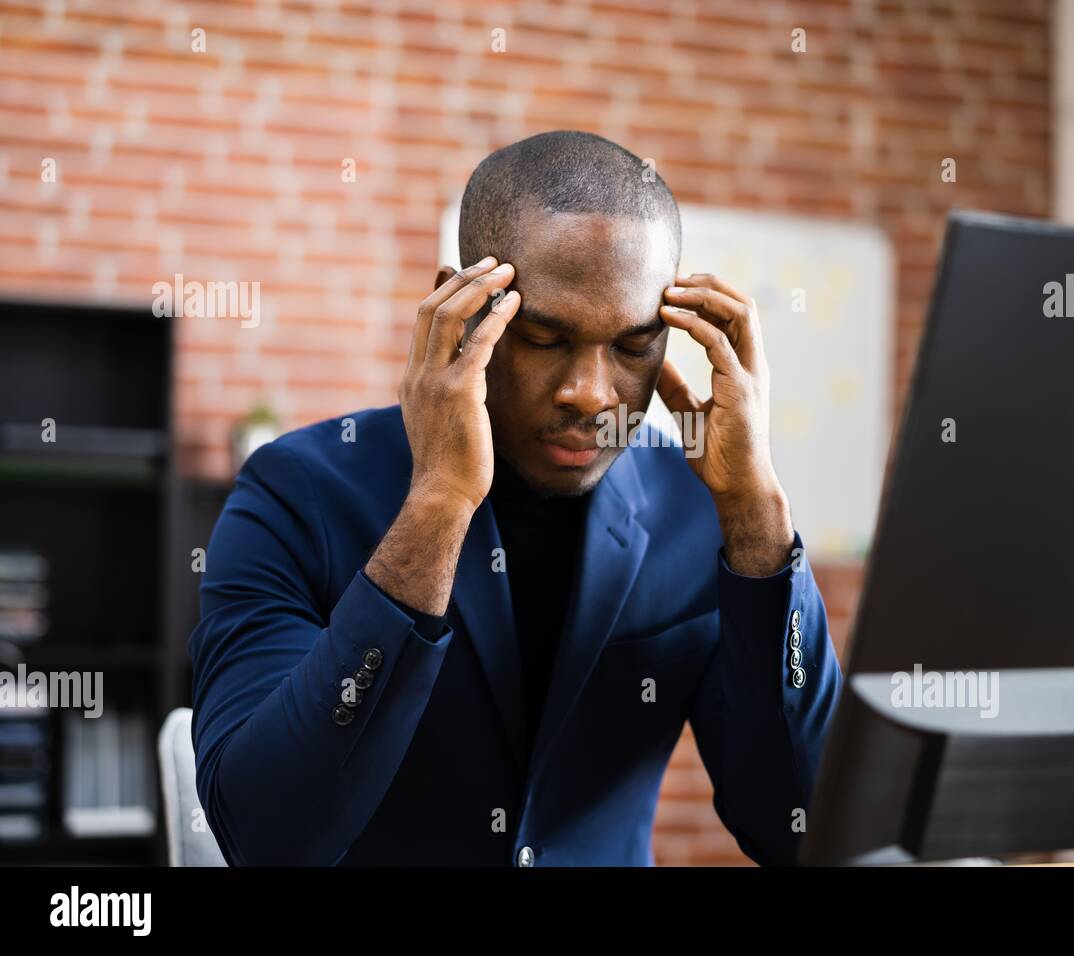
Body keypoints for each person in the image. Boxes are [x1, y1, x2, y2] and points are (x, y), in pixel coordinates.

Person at [189, 130, 843, 865]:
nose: (591, 395)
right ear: (459, 309)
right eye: (541, 337)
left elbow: (803, 832)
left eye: (632, 347)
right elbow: (266, 837)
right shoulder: (296, 493)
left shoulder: (701, 511)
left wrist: (758, 519)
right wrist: (438, 504)